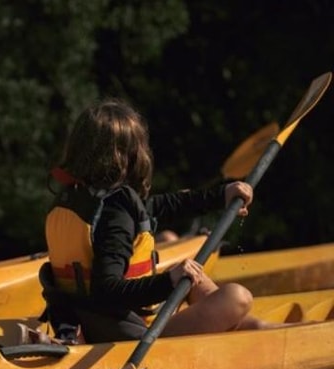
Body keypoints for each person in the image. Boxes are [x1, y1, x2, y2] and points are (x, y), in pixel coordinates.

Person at [42, 98, 281, 344]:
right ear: (130, 155)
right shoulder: (115, 214)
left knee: (197, 281)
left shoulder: (74, 202)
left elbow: (160, 207)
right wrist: (169, 281)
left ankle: (264, 330)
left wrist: (221, 195)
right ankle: (264, 335)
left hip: (94, 322)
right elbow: (107, 293)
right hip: (134, 337)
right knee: (236, 297)